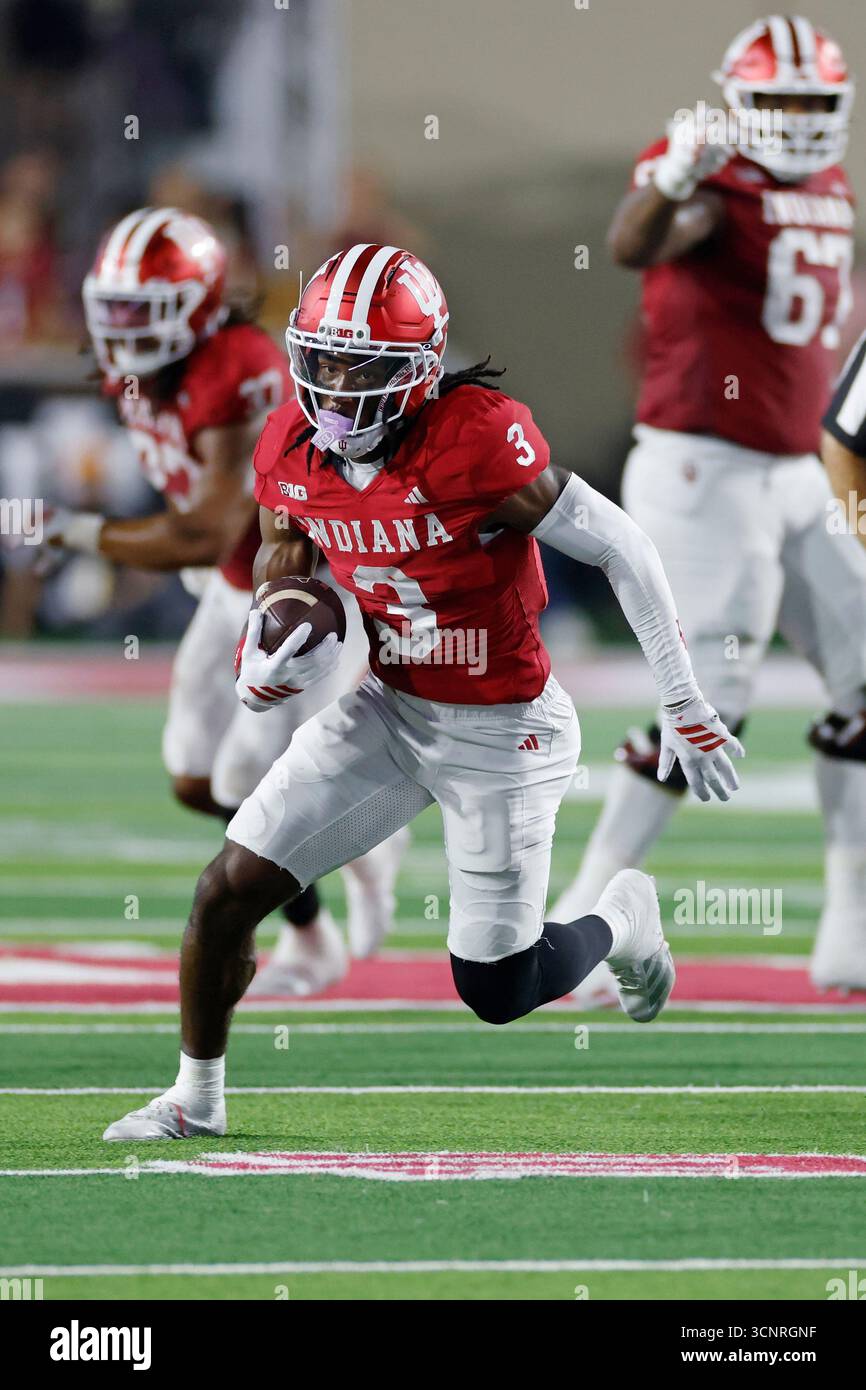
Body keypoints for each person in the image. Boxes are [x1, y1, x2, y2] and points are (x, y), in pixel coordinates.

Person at [100, 241, 742, 1141]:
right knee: (225, 891)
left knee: (497, 987)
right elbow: (287, 554)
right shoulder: (291, 439)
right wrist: (272, 637)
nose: (332, 384)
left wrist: (682, 699)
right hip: (388, 704)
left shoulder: (476, 438)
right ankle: (194, 1099)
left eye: (358, 366)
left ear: (417, 370)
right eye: (319, 359)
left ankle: (622, 916)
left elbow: (620, 546)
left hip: (503, 726)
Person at [551, 16, 866, 999]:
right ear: (734, 102)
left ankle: (851, 919)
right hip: (703, 470)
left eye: (811, 105)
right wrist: (676, 176)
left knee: (864, 679)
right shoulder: (705, 173)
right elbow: (631, 240)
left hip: (800, 470)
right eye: (774, 102)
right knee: (708, 702)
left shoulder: (826, 186)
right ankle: (587, 914)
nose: (793, 123)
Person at [42, 207, 403, 994]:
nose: (126, 329)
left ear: (195, 305)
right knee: (191, 775)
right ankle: (349, 863)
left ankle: (321, 926)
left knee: (245, 778)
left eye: (144, 309)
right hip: (232, 583)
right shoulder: (147, 366)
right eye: (116, 310)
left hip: (300, 582)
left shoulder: (238, 367)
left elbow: (207, 530)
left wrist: (74, 532)